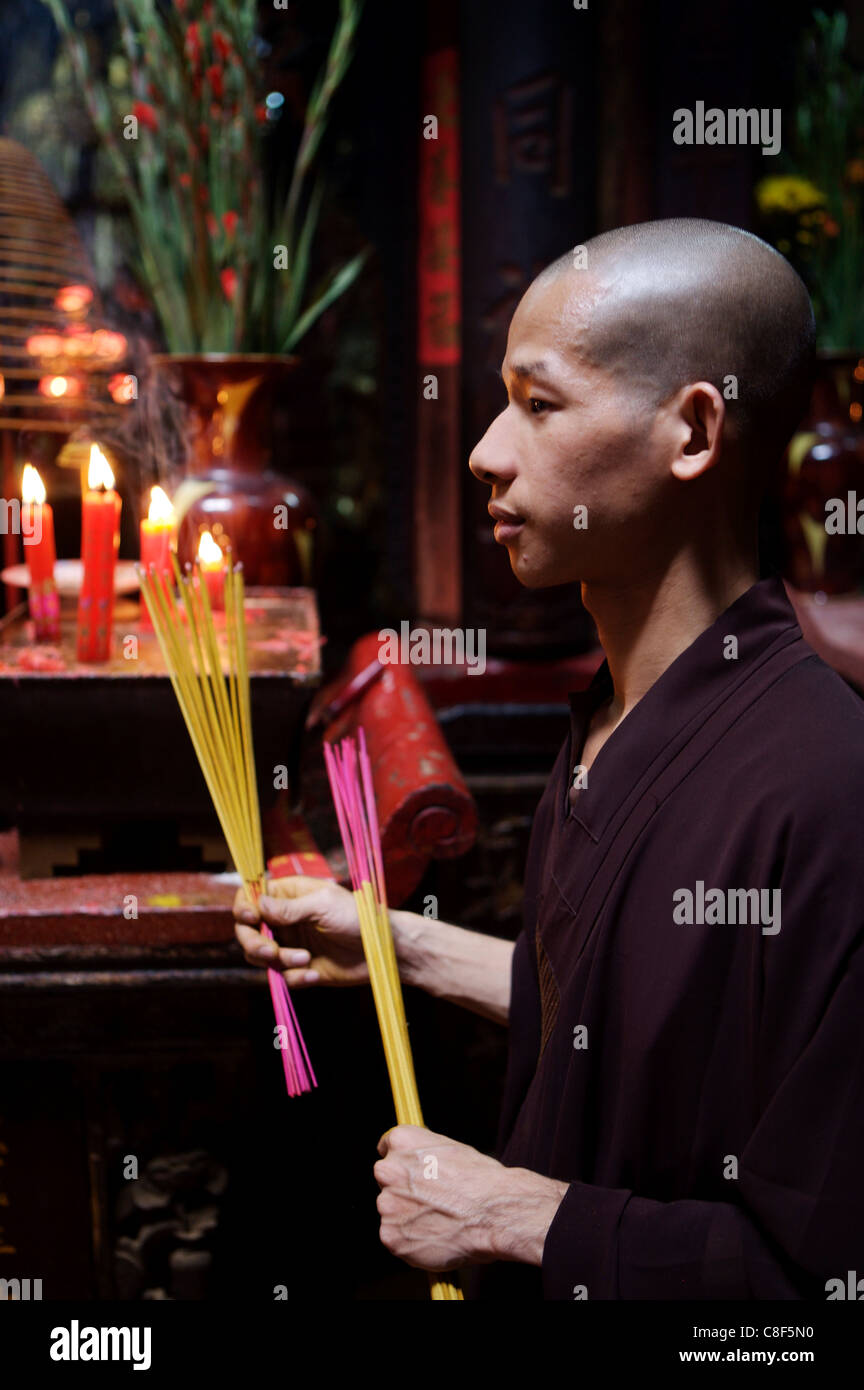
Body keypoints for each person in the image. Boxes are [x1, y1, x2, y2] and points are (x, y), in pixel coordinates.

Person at [235, 219, 864, 1299]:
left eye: (539, 403)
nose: (486, 449)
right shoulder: (624, 712)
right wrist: (393, 946)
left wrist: (515, 1216)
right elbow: (626, 1015)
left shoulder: (824, 791)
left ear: (694, 430)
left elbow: (819, 1281)